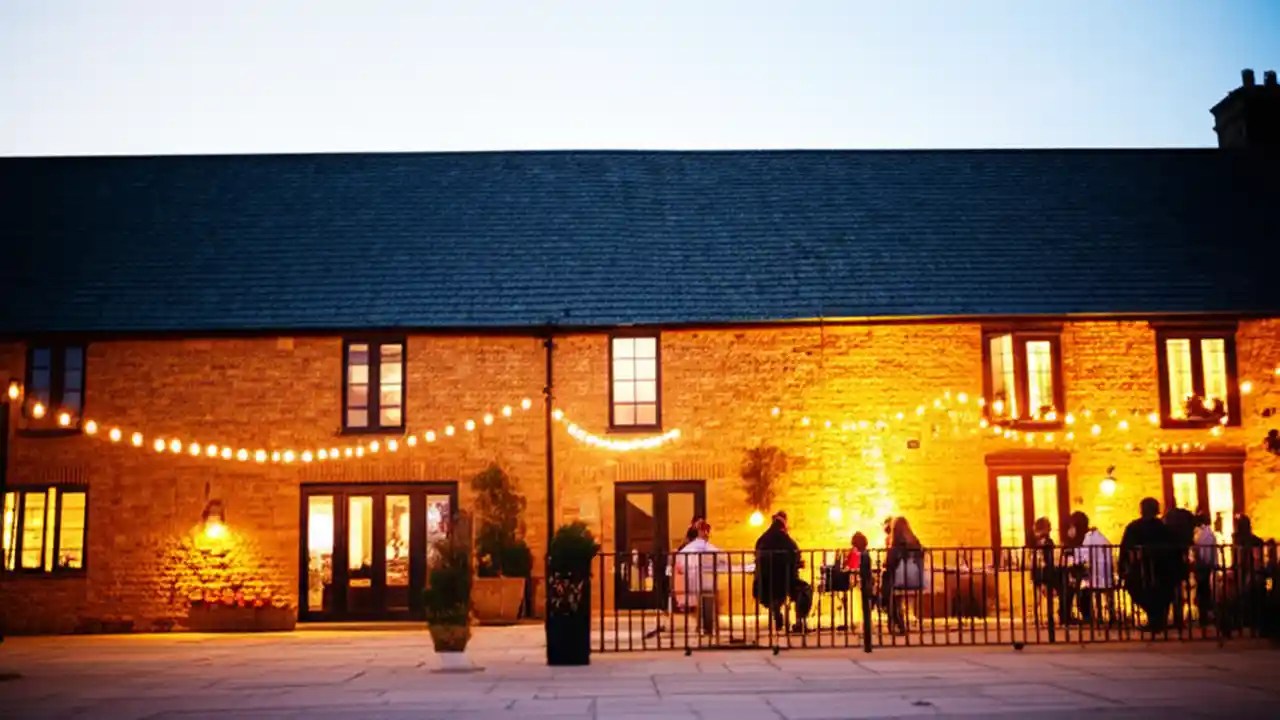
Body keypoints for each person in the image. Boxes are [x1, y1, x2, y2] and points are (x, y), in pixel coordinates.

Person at [1119, 497, 1178, 632]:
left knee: (1143, 592)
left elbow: (1126, 548)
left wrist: (1124, 567)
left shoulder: (1135, 527)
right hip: (1160, 571)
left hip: (1143, 571)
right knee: (1160, 594)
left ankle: (1156, 619)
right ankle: (1157, 619)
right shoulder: (1163, 528)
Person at [752, 511, 813, 634]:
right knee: (805, 589)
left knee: (775, 593)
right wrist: (798, 564)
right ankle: (800, 621)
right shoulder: (786, 540)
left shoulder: (761, 540)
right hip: (785, 582)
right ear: (784, 523)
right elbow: (796, 556)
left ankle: (775, 609)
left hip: (763, 585)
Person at [1065, 511, 1114, 625]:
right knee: (1078, 581)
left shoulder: (1087, 538)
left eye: (1071, 526)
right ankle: (1104, 615)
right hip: (1105, 575)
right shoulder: (1097, 535)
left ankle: (1087, 616)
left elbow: (1080, 560)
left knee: (1075, 585)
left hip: (1095, 577)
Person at [676, 520, 725, 635]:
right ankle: (707, 627)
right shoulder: (707, 547)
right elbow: (721, 559)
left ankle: (701, 626)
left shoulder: (690, 548)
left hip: (695, 580)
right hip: (707, 580)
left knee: (700, 605)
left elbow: (681, 563)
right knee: (707, 604)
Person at [881, 516, 924, 635]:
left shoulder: (896, 544)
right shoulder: (914, 541)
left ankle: (896, 622)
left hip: (898, 578)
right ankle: (898, 621)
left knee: (887, 588)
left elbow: (889, 563)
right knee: (892, 592)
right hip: (913, 577)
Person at [1031, 517, 1069, 625]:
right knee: (1050, 595)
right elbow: (1048, 558)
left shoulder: (1037, 542)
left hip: (1037, 572)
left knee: (1038, 597)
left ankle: (1037, 617)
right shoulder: (1048, 541)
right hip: (1046, 572)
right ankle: (1050, 616)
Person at [1193, 514, 1220, 625]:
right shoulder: (1208, 533)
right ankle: (1204, 616)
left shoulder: (1201, 534)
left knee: (1203, 589)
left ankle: (1203, 616)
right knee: (1204, 589)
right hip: (1205, 565)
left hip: (1202, 565)